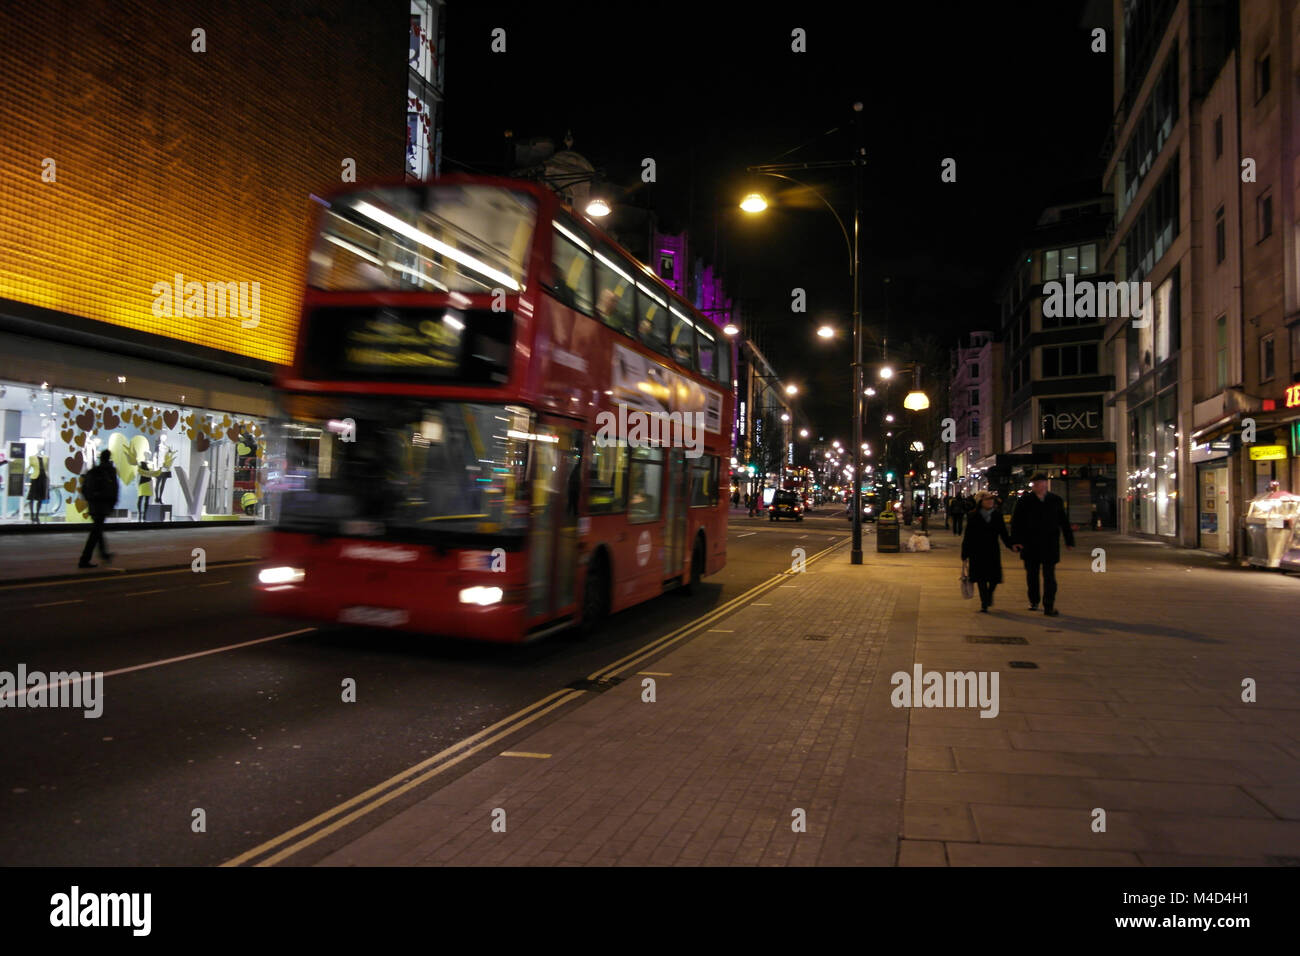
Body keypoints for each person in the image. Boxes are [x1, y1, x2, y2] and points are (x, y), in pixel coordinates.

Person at [1011, 472, 1075, 616]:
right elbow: (1016, 522)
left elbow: (1063, 521)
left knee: (1049, 577)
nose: (1038, 486)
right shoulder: (1025, 500)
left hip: (1049, 543)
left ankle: (1048, 605)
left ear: (1046, 483)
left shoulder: (1055, 500)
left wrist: (1069, 540)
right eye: (1035, 484)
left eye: (1040, 483)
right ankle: (1034, 600)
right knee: (1032, 576)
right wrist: (1015, 541)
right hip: (1030, 544)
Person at [962, 491, 1016, 612]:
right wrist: (965, 552)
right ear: (980, 502)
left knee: (994, 578)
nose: (990, 501)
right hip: (977, 551)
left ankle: (989, 594)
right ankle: (984, 603)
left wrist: (1010, 545)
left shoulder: (997, 515)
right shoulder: (973, 515)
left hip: (992, 550)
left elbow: (1003, 533)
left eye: (992, 499)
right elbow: (968, 535)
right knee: (980, 578)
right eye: (987, 499)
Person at [79, 450, 119, 568]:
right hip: (103, 505)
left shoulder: (93, 471)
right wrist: (112, 503)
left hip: (93, 505)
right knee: (96, 532)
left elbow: (84, 489)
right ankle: (84, 559)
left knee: (98, 529)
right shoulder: (110, 471)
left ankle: (103, 553)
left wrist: (90, 500)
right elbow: (114, 488)